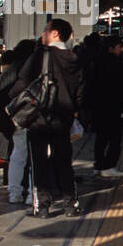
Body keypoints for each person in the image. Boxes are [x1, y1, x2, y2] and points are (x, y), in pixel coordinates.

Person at [10, 18, 86, 217]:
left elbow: (23, 81)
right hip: (64, 118)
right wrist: (74, 110)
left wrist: (13, 101)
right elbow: (81, 91)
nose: (42, 35)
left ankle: (42, 207)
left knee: (39, 161)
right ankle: (71, 204)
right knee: (64, 160)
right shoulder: (75, 59)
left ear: (55, 34)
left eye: (46, 31)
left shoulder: (41, 56)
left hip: (40, 117)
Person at [0, 40, 37, 204]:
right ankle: (31, 194)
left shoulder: (9, 71)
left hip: (9, 119)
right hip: (24, 118)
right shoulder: (28, 71)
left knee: (17, 155)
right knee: (33, 157)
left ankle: (14, 193)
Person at [90, 36, 123, 178]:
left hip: (99, 107)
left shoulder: (96, 62)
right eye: (119, 47)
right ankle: (108, 166)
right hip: (112, 107)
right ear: (111, 48)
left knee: (101, 138)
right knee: (115, 138)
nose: (121, 50)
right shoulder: (115, 63)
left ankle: (99, 166)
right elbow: (121, 85)